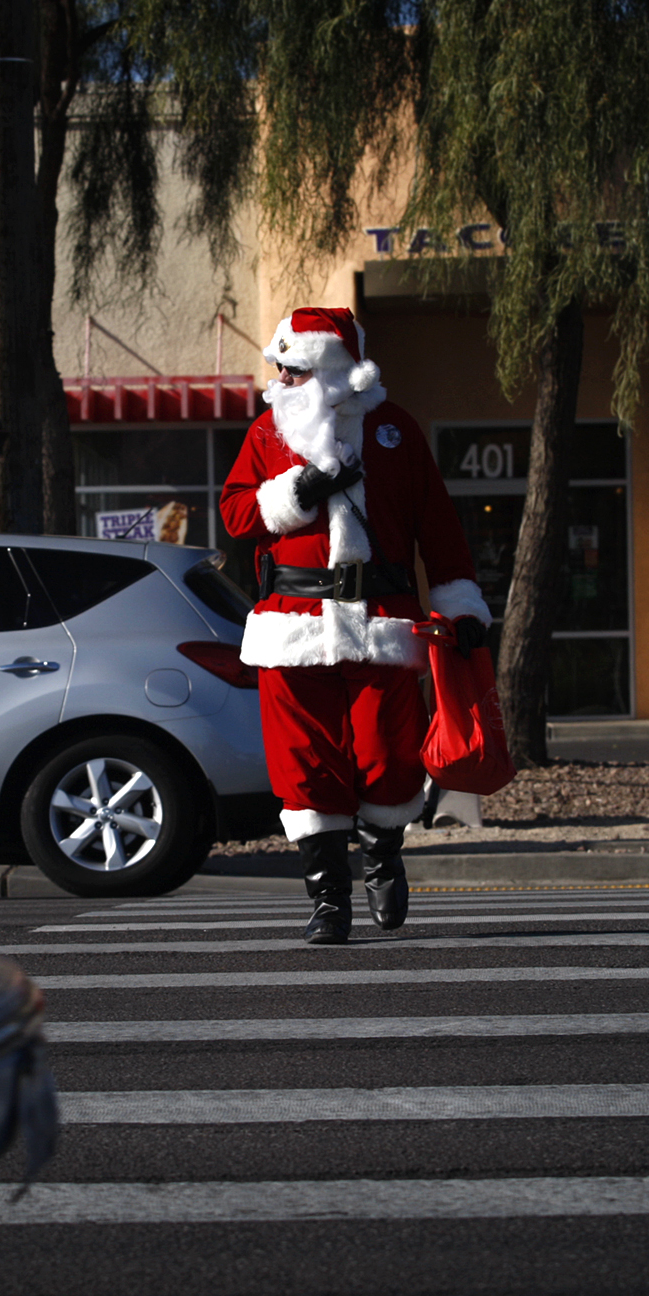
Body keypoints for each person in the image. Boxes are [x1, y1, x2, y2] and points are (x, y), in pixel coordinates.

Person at [219, 306, 489, 943]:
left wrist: (459, 605)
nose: (279, 379)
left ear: (333, 372)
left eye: (294, 369)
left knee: (387, 755)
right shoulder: (267, 433)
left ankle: (383, 854)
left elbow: (440, 529)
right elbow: (235, 515)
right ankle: (327, 900)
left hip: (383, 624)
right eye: (278, 369)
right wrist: (299, 490)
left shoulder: (395, 430)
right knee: (303, 765)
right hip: (292, 623)